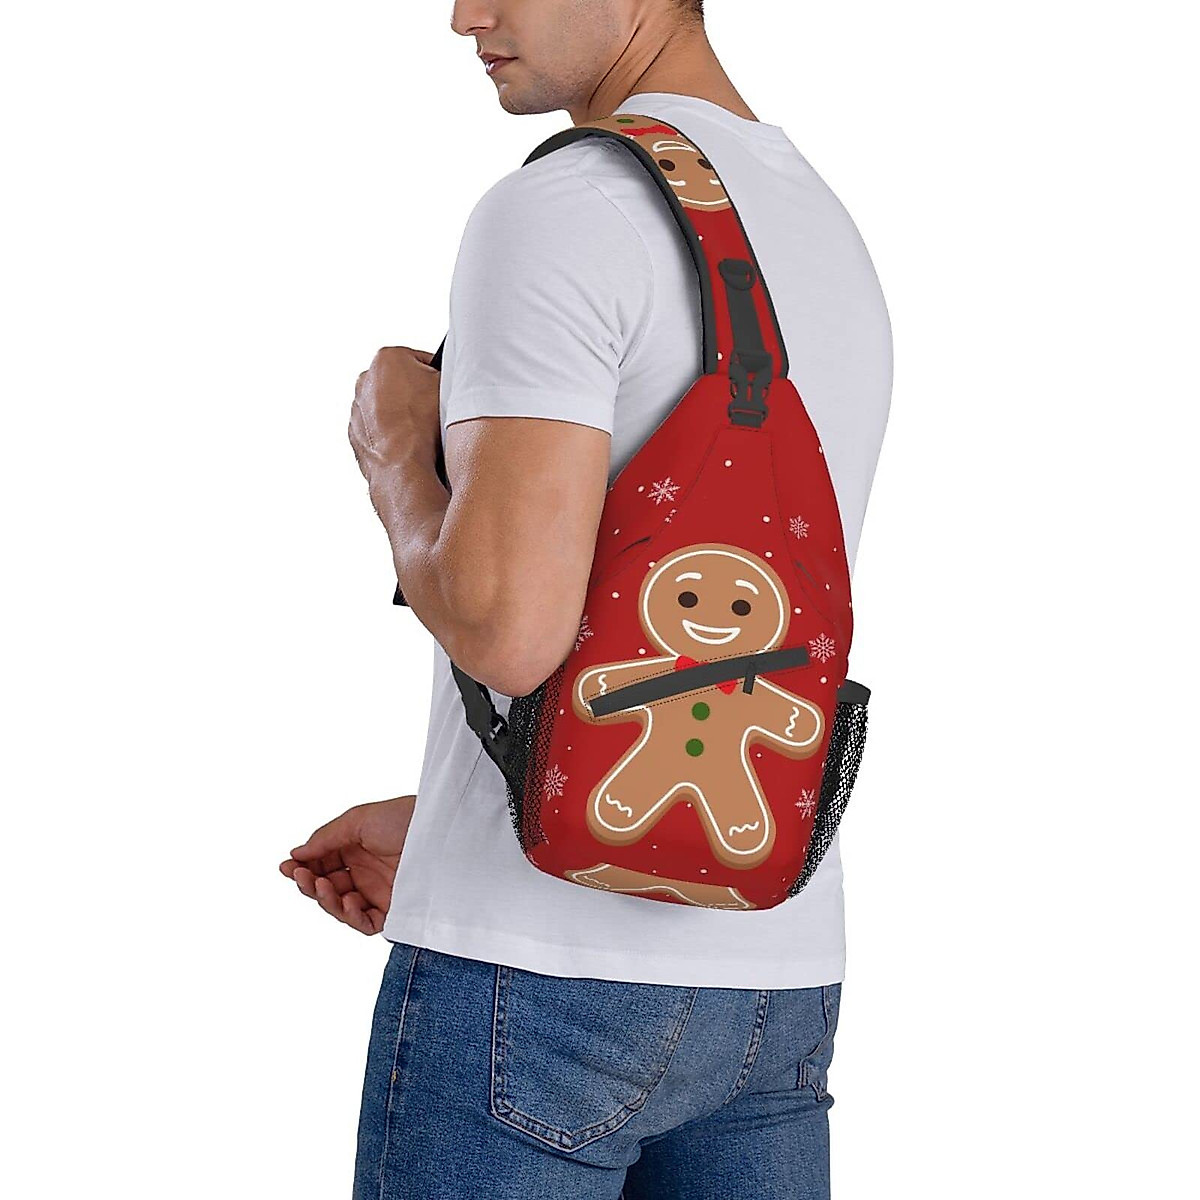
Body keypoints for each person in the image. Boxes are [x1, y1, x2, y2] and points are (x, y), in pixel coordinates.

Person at [279, 1, 891, 1195]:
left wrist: (394, 451)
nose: (465, 15)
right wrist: (458, 817)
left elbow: (508, 630)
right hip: (774, 983)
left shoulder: (566, 207)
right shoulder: (815, 215)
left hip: (532, 990)